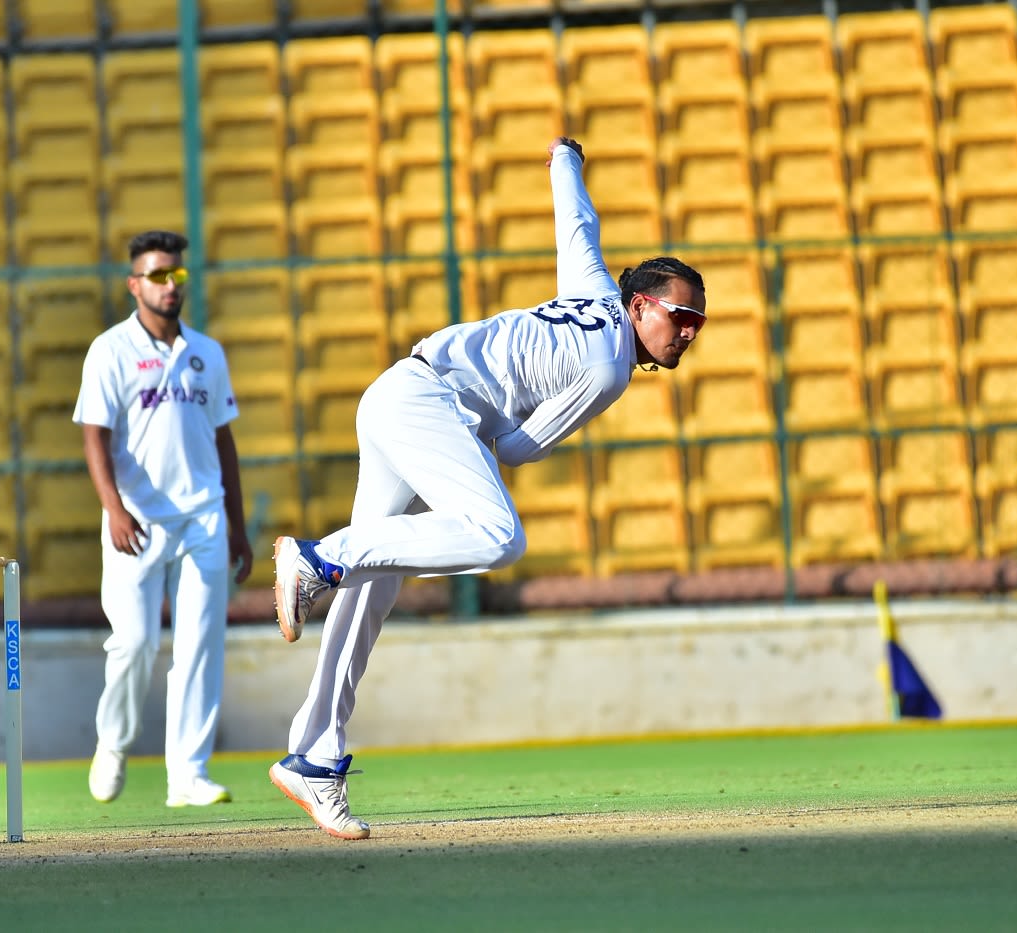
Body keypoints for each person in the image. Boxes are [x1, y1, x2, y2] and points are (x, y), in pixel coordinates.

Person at [268, 137, 706, 839]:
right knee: (498, 536)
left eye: (697, 324)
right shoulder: (609, 368)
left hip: (397, 391)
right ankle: (320, 557)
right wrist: (496, 430)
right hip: (431, 406)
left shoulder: (595, 292)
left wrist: (565, 161)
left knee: (374, 586)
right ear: (641, 306)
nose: (687, 333)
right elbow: (520, 448)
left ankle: (314, 757)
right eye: (679, 317)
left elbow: (578, 224)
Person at [74, 229, 254, 808]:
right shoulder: (110, 350)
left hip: (203, 517)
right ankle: (113, 743)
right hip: (138, 520)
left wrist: (237, 525)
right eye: (157, 275)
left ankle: (188, 775)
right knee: (133, 643)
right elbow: (94, 437)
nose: (169, 285)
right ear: (135, 285)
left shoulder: (207, 353)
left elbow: (224, 442)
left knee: (200, 645)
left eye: (176, 274)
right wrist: (114, 509)